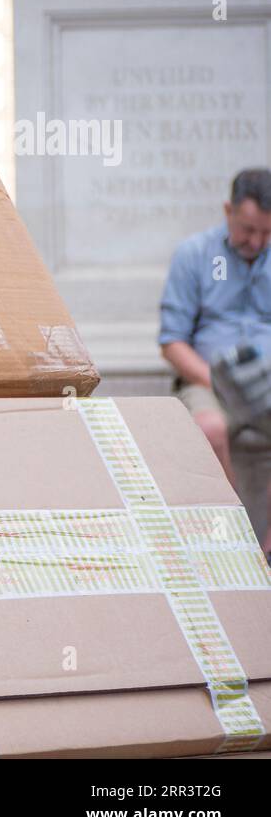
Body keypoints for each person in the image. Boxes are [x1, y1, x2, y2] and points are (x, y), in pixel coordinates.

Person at [160, 168, 271, 541]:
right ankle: (232, 536)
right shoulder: (193, 254)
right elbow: (172, 342)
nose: (256, 241)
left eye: (267, 232)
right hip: (206, 378)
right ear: (228, 210)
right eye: (247, 229)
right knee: (210, 427)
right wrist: (223, 385)